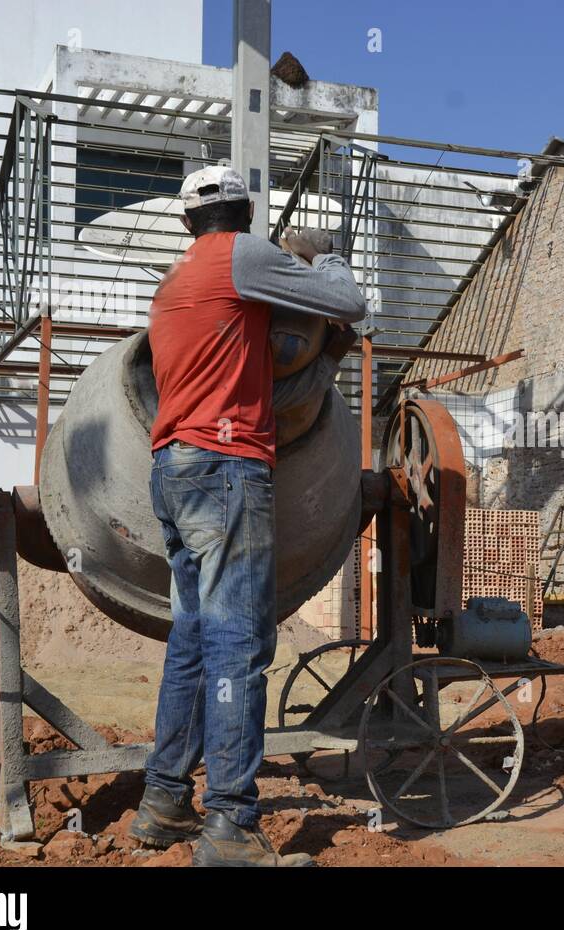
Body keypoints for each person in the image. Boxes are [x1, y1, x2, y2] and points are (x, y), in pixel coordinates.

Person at [128, 165, 365, 866]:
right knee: (239, 647)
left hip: (171, 470)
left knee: (194, 643)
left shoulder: (174, 284)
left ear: (186, 222)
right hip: (228, 469)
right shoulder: (243, 256)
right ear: (244, 212)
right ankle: (230, 824)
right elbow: (348, 302)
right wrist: (325, 253)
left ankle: (164, 800)